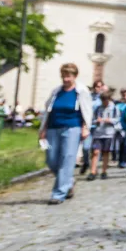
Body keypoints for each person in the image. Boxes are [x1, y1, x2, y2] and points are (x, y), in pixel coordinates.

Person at [39, 64, 93, 204]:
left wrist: (85, 127)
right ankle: (68, 181)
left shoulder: (81, 91)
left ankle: (59, 194)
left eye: (69, 76)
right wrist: (43, 129)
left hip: (72, 128)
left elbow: (87, 110)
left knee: (67, 159)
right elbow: (48, 111)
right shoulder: (56, 91)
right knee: (50, 159)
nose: (66, 79)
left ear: (75, 76)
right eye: (64, 76)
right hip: (52, 128)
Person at [88, 90, 119, 180]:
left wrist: (110, 121)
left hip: (108, 134)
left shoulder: (114, 108)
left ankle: (104, 171)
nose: (104, 102)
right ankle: (92, 172)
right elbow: (92, 119)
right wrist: (96, 121)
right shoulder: (98, 108)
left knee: (106, 152)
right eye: (103, 100)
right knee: (95, 152)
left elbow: (117, 119)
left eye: (106, 100)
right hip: (98, 134)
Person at [80, 81, 106, 175]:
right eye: (96, 86)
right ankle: (86, 163)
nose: (97, 88)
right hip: (89, 125)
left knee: (96, 149)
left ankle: (94, 168)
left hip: (99, 127)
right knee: (86, 148)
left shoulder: (104, 98)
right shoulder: (88, 97)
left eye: (99, 87)